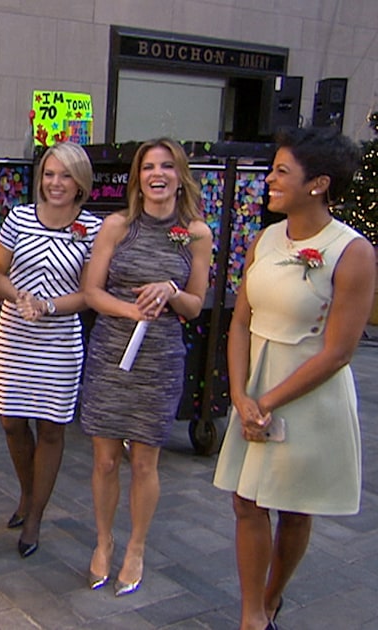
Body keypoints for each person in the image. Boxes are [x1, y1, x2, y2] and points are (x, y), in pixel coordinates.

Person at [213, 128, 372, 630]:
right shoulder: (265, 238)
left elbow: (340, 350)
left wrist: (270, 400)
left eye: (282, 171)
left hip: (308, 394)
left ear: (318, 184)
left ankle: (273, 594)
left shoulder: (352, 252)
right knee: (246, 501)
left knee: (294, 508)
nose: (270, 180)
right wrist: (240, 394)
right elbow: (241, 320)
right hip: (256, 384)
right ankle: (251, 614)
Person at [80, 138, 212, 596]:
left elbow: (195, 305)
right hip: (111, 353)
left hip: (159, 357)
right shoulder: (116, 227)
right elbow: (92, 291)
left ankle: (135, 547)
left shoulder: (196, 233)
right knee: (104, 458)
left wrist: (171, 292)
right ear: (137, 176)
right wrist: (128, 309)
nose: (158, 174)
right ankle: (103, 540)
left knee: (144, 461)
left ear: (180, 176)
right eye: (149, 167)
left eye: (167, 166)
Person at [0, 142, 101, 558]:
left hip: (59, 341)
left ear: (80, 183)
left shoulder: (91, 229)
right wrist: (20, 297)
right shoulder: (18, 217)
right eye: (50, 174)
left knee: (50, 428)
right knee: (11, 421)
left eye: (65, 176)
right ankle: (27, 492)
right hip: (15, 335)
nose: (56, 183)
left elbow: (89, 294)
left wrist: (49, 306)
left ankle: (34, 516)